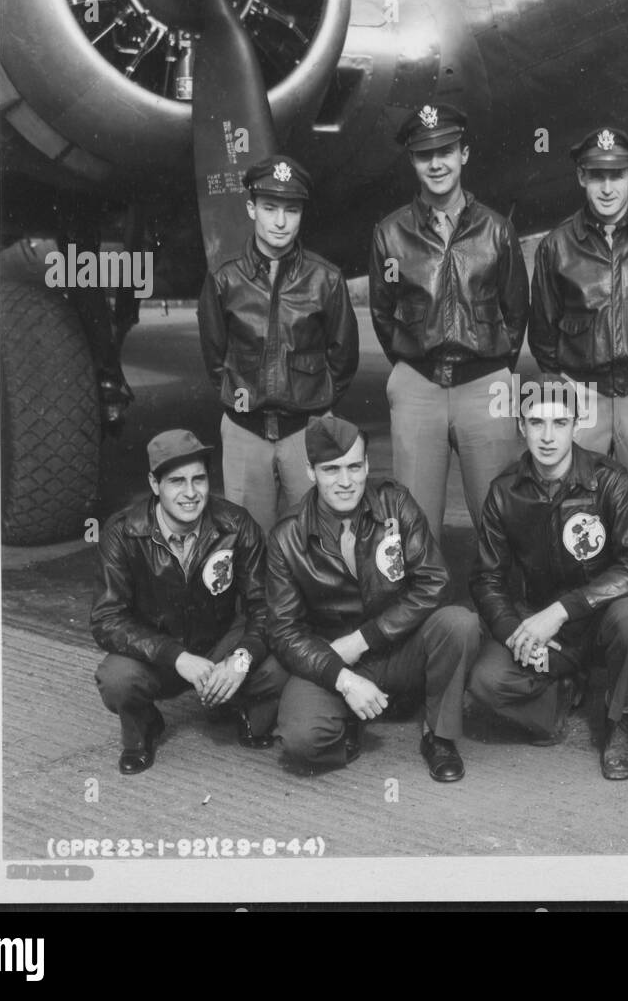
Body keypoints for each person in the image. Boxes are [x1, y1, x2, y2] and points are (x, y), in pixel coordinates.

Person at [266, 414, 482, 781]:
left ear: (367, 464)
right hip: (334, 658)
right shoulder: (287, 536)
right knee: (303, 741)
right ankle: (351, 715)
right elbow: (284, 632)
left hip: (397, 644)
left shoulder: (394, 503)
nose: (346, 481)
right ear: (310, 471)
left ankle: (439, 735)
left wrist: (364, 638)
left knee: (460, 624)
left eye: (354, 466)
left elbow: (435, 582)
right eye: (331, 470)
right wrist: (343, 680)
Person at [468, 376, 628, 779]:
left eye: (559, 423)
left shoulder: (608, 480)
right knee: (486, 682)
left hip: (600, 616)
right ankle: (561, 691)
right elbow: (488, 579)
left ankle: (618, 719)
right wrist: (513, 634)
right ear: (521, 427)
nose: (548, 436)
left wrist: (562, 610)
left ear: (576, 424)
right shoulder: (505, 491)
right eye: (536, 423)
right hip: (542, 625)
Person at [368, 104, 529, 540]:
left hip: (485, 385)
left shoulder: (497, 230)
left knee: (500, 517)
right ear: (413, 161)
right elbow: (383, 311)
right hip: (419, 384)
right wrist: (410, 362)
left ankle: (504, 607)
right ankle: (422, 609)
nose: (436, 163)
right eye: (424, 155)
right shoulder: (390, 235)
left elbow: (516, 312)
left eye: (446, 151)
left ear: (464, 155)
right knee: (414, 523)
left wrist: (492, 369)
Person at [92, 429, 288, 775]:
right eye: (176, 481)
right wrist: (176, 657)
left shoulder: (236, 524)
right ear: (154, 484)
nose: (190, 492)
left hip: (218, 645)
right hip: (160, 655)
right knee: (116, 678)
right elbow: (107, 619)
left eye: (199, 479)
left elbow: (265, 606)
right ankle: (144, 727)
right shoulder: (123, 532)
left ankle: (233, 705)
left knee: (277, 666)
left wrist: (240, 659)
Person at [529, 125, 628, 540]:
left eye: (616, 175)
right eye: (596, 176)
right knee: (576, 498)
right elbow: (543, 330)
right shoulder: (556, 246)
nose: (607, 187)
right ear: (581, 177)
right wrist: (567, 380)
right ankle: (584, 593)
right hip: (581, 391)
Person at [198, 154, 360, 533]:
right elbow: (215, 356)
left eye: (292, 210)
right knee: (247, 540)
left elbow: (343, 357)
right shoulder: (224, 279)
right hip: (245, 429)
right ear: (252, 209)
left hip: (307, 428)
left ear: (303, 214)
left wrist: (315, 403)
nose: (281, 222)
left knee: (319, 537)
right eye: (270, 208)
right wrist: (241, 398)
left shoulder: (326, 279)